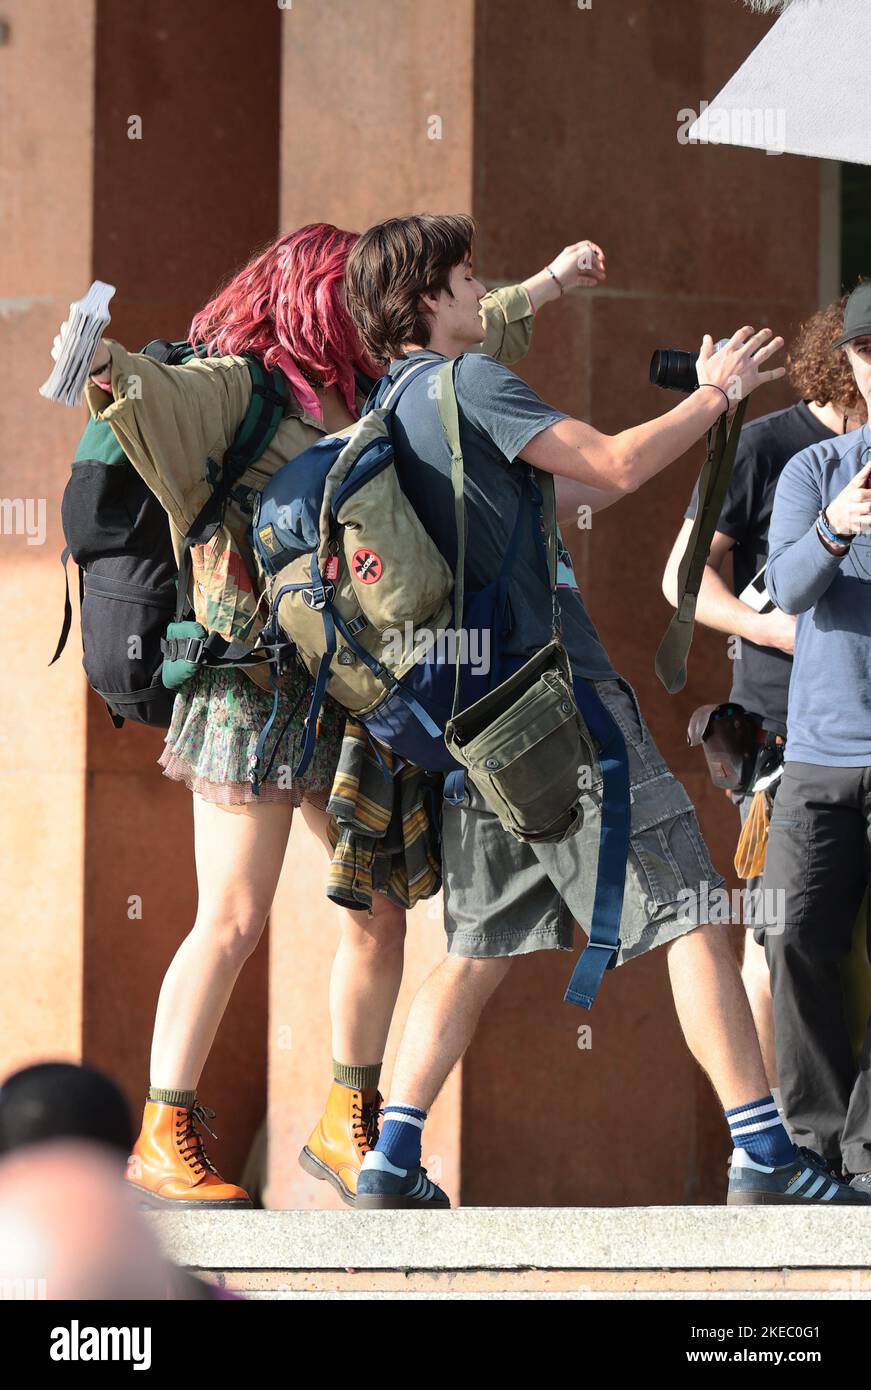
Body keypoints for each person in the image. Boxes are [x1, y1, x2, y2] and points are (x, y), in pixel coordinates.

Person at [59, 224, 601, 1207]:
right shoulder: (243, 386)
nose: (364, 307)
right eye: (346, 290)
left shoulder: (357, 393)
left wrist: (550, 286)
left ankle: (344, 1123)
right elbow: (147, 393)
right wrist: (98, 360)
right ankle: (161, 1129)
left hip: (341, 702)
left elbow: (465, 329)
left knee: (379, 915)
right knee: (231, 915)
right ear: (313, 295)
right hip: (247, 692)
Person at [342, 211, 871, 1209]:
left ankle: (390, 1158)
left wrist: (551, 289)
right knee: (691, 911)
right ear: (429, 298)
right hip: (564, 703)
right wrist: (715, 399)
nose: (478, 288)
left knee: (475, 942)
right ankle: (763, 1152)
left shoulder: (389, 408)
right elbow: (615, 465)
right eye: (466, 277)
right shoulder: (471, 385)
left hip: (474, 723)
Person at [662, 297, 867, 1090]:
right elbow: (682, 581)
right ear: (837, 361)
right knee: (774, 938)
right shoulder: (772, 448)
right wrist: (786, 632)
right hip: (785, 730)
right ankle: (769, 1141)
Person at [762, 281, 871, 1190]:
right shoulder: (816, 472)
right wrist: (836, 528)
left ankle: (868, 1155)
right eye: (869, 352)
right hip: (820, 756)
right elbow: (787, 589)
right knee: (789, 935)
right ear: (852, 364)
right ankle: (816, 1147)